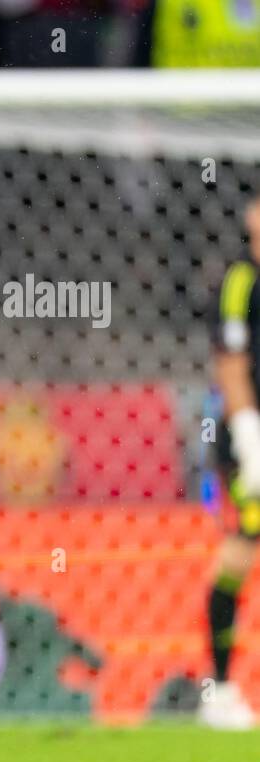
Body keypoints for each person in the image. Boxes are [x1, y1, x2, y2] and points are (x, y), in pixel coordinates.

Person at [202, 196, 260, 730]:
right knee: (241, 552)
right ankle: (217, 689)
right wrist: (248, 433)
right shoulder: (241, 280)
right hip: (249, 442)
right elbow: (232, 361)